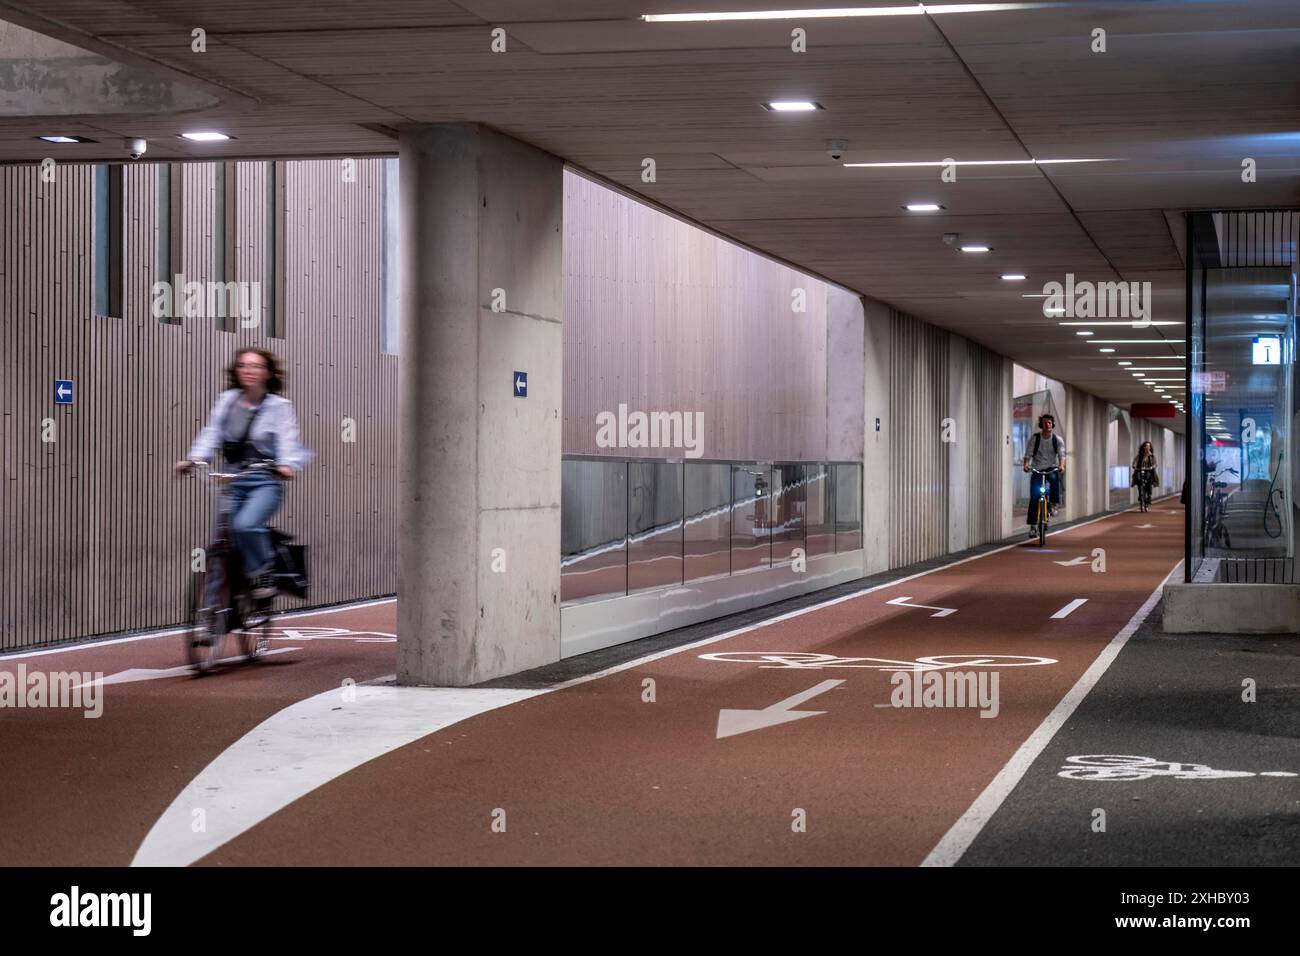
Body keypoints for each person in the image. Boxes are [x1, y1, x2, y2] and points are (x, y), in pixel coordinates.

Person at [174, 348, 309, 602]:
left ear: (268, 373)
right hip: (232, 479)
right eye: (243, 365)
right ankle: (212, 614)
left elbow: (287, 438)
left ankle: (263, 571)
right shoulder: (228, 400)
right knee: (221, 542)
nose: (249, 371)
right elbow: (212, 432)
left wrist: (286, 464)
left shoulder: (279, 406)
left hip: (264, 481)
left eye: (256, 366)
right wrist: (194, 459)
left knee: (244, 525)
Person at [1022, 413, 1065, 525]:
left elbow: (1061, 454)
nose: (1047, 425)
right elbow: (1028, 454)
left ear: (1053, 424)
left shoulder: (1057, 440)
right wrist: (1026, 465)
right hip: (1037, 469)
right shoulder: (1035, 438)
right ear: (1041, 425)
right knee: (1034, 497)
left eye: (1049, 422)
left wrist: (1061, 465)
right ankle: (1032, 525)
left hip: (1051, 467)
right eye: (1045, 423)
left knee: (1054, 479)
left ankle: (1053, 504)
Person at [1131, 441, 1158, 511]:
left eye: (1149, 446)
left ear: (1150, 447)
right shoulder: (1139, 455)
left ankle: (1149, 496)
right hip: (1140, 470)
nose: (1147, 447)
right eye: (1146, 446)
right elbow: (1135, 461)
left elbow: (1155, 463)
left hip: (1148, 471)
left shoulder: (1152, 456)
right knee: (1138, 480)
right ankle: (1141, 495)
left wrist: (1153, 467)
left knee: (1149, 482)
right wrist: (1134, 465)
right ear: (1143, 447)